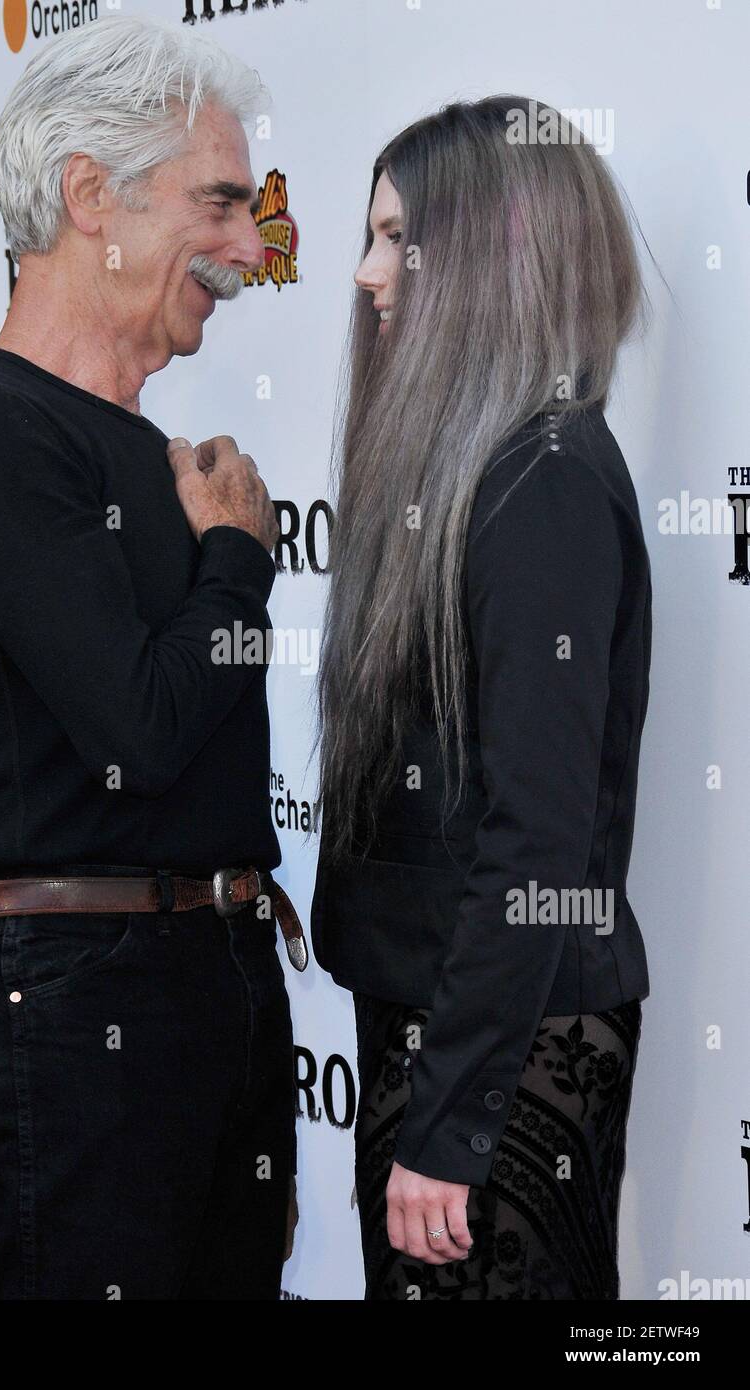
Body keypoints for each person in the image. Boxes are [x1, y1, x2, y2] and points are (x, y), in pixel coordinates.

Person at [0, 16, 301, 1301]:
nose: (248, 248)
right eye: (218, 204)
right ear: (87, 195)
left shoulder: (142, 451)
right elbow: (140, 728)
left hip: (212, 983)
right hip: (74, 1017)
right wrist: (234, 556)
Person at [311, 96, 652, 1300]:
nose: (363, 275)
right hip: (451, 1026)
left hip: (498, 1053)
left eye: (393, 237)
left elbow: (537, 836)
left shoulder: (539, 479)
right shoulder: (489, 469)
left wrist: (452, 1124)